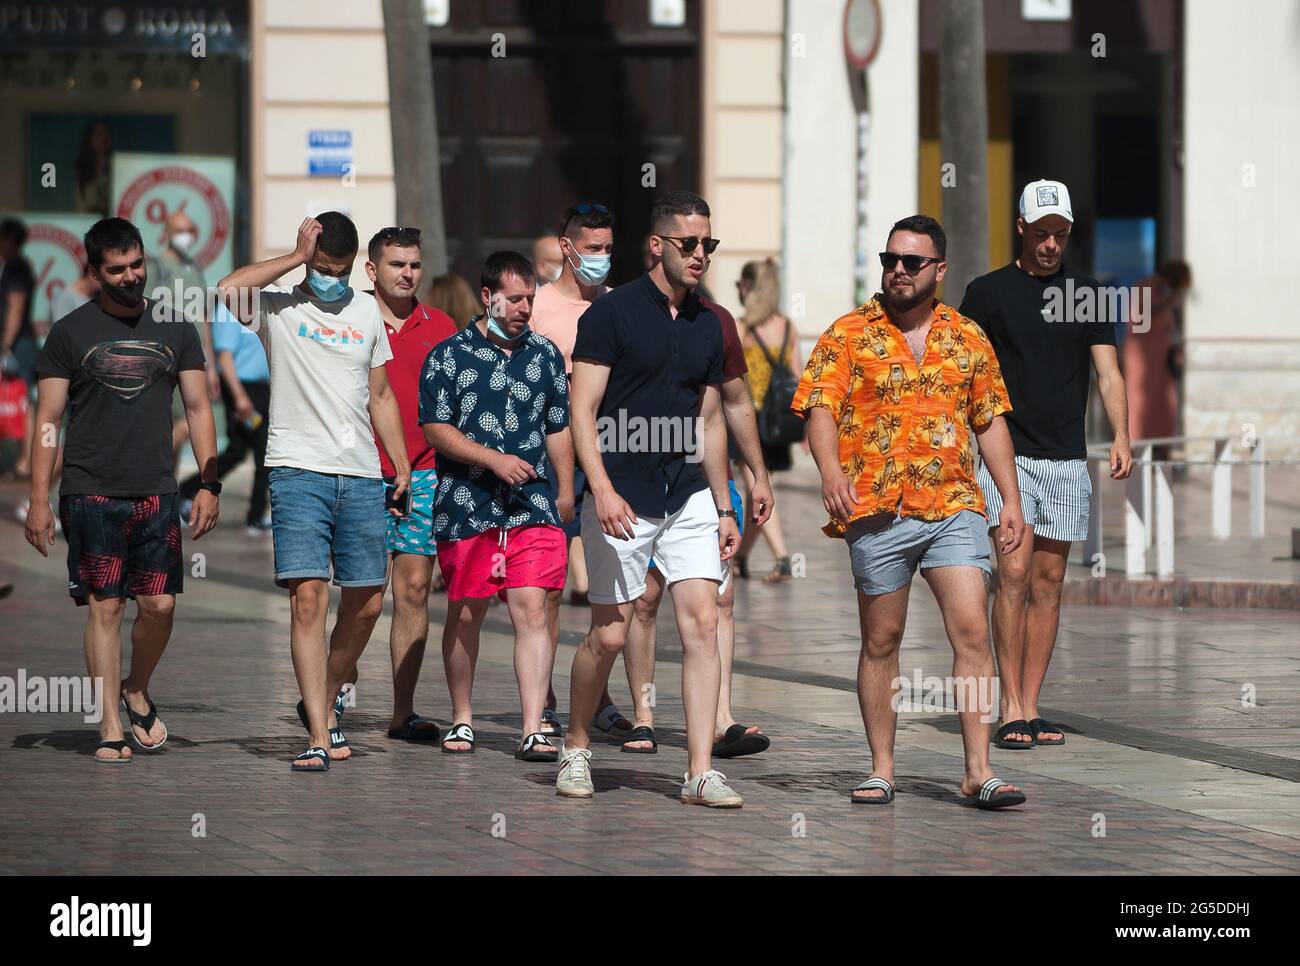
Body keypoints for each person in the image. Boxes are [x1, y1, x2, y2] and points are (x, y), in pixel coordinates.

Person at [794, 214, 1030, 809]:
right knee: (883, 637)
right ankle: (881, 768)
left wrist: (1011, 499)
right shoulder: (849, 333)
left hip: (953, 503)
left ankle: (979, 770)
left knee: (973, 629)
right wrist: (830, 472)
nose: (898, 270)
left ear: (939, 271)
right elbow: (819, 407)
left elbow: (990, 420)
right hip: (875, 509)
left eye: (912, 262)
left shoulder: (967, 336)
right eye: (890, 260)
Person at [556, 190, 744, 807]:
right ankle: (576, 745)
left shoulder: (710, 322)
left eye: (708, 245)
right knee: (609, 635)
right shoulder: (610, 316)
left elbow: (711, 420)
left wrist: (724, 506)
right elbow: (581, 409)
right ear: (658, 245)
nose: (700, 255)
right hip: (623, 494)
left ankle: (698, 771)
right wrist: (601, 489)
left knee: (703, 621)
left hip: (688, 492)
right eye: (688, 244)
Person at [218, 212, 410, 773]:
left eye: (340, 270)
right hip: (297, 469)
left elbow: (379, 393)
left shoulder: (365, 312)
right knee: (309, 598)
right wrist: (297, 258)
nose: (332, 278)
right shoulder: (277, 308)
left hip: (359, 473)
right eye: (324, 268)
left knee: (370, 598)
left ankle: (321, 694)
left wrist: (397, 458)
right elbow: (229, 288)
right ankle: (319, 735)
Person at [24, 216, 220, 763]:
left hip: (157, 489)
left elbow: (200, 409)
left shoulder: (177, 328)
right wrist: (40, 498)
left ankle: (136, 687)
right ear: (95, 272)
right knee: (105, 606)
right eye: (118, 270)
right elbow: (48, 420)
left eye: (137, 264)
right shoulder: (70, 333)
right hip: (89, 490)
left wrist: (209, 481)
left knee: (158, 604)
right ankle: (109, 724)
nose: (132, 276)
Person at [959, 180, 1133, 751]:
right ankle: (1008, 706)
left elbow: (1108, 373)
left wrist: (1122, 436)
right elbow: (965, 374)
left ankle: (1032, 705)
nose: (1051, 244)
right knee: (1010, 575)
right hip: (1005, 454)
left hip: (1064, 455)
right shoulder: (986, 293)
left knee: (1050, 581)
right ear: (1021, 227)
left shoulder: (1090, 294)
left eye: (1060, 234)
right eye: (1041, 233)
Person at [420, 250, 574, 760]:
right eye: (514, 298)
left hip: (533, 504)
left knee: (532, 607)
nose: (524, 307)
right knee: (466, 613)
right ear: (487, 297)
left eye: (530, 297)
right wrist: (492, 459)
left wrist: (567, 488)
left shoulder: (546, 355)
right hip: (468, 503)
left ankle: (533, 724)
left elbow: (558, 426)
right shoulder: (447, 356)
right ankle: (462, 717)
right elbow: (435, 428)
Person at [617, 279, 775, 760]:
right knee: (644, 600)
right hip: (640, 478)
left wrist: (758, 473)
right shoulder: (624, 318)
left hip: (705, 482)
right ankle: (644, 715)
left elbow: (735, 402)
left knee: (717, 603)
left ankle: (720, 718)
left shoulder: (717, 321)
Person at [529, 203, 629, 739]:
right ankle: (542, 698)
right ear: (567, 248)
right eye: (593, 249)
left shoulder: (620, 306)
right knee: (547, 589)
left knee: (611, 588)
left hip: (612, 462)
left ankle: (599, 698)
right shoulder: (539, 307)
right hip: (551, 464)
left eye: (609, 248)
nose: (603, 258)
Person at [360, 226, 457, 741]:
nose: (408, 273)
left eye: (414, 264)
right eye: (397, 264)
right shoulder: (350, 319)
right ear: (372, 270)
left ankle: (402, 711)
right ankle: (331, 688)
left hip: (422, 474)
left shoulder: (441, 326)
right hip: (358, 473)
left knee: (414, 589)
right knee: (364, 596)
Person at [177, 300, 271, 534]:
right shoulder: (230, 310)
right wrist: (239, 398)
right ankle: (255, 516)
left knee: (240, 452)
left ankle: (188, 489)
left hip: (261, 389)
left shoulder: (260, 308)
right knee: (260, 454)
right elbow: (225, 358)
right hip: (242, 389)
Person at [733, 257, 800, 582]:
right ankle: (742, 557)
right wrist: (803, 429)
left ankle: (783, 558)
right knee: (758, 492)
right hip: (779, 421)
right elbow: (798, 379)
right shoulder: (787, 327)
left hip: (749, 420)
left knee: (759, 489)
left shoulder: (741, 327)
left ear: (749, 287)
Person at [147, 209, 220, 467]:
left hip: (194, 356)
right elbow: (146, 310)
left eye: (189, 230)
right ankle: (151, 468)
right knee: (181, 423)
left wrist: (211, 366)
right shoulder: (155, 267)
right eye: (179, 230)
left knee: (187, 422)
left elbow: (204, 318)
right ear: (166, 233)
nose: (186, 236)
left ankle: (166, 488)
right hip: (166, 355)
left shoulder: (194, 267)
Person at [1124, 260, 1191, 446]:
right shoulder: (1145, 288)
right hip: (1141, 357)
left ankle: (1161, 447)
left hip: (1160, 360)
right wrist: (1168, 302)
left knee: (1163, 404)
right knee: (1139, 403)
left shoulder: (1161, 292)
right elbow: (1142, 319)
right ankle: (1136, 447)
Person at [0, 218, 37, 478]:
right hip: (17, 343)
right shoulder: (13, 267)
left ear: (10, 240)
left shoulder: (16, 268)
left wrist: (5, 346)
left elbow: (16, 307)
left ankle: (26, 462)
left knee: (24, 401)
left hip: (18, 345)